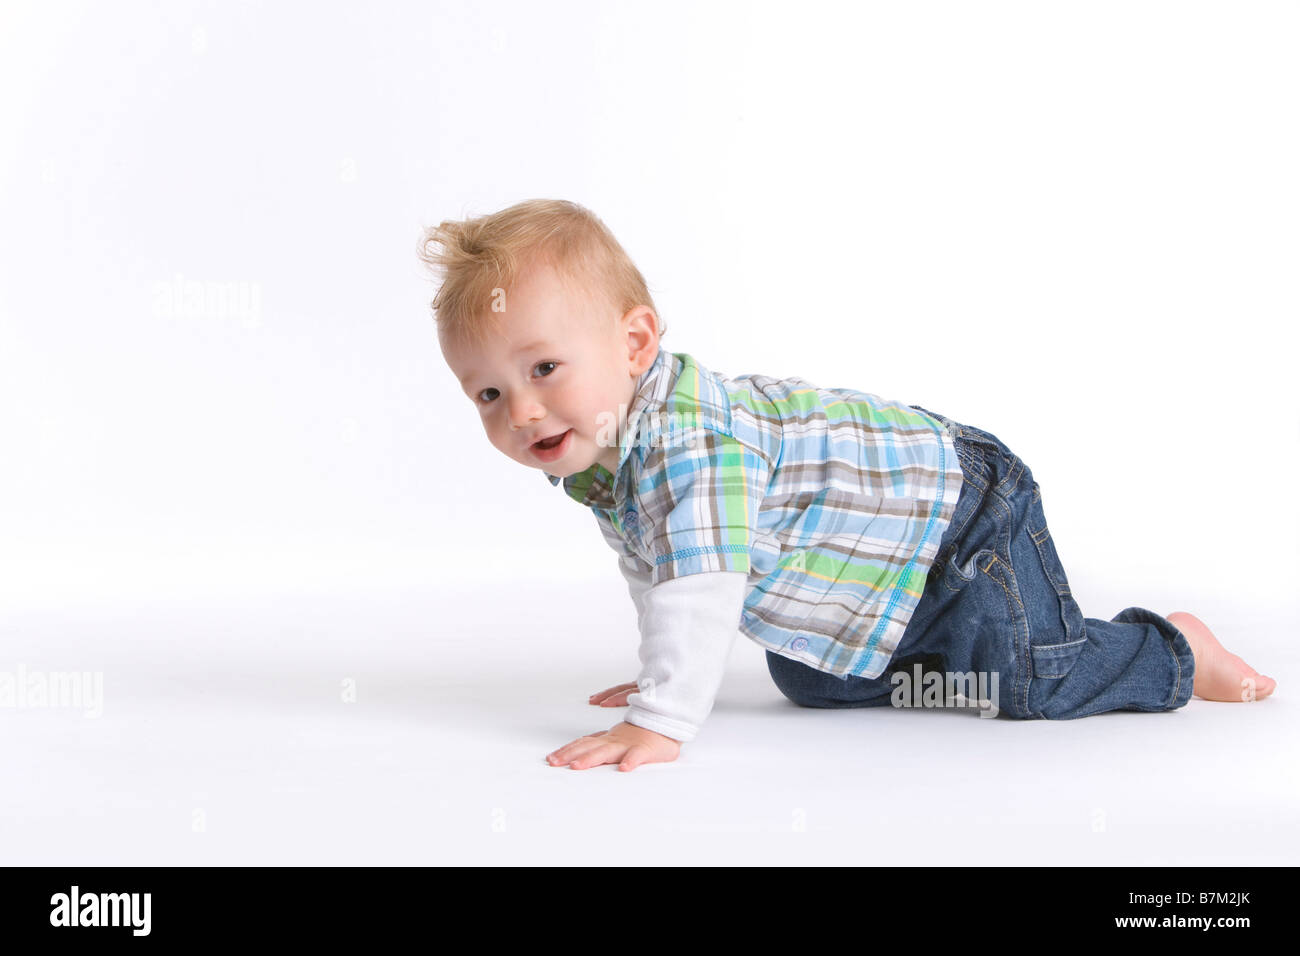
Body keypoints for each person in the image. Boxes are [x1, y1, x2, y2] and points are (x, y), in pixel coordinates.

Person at [418, 198, 1277, 773]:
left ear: (635, 343)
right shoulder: (605, 462)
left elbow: (701, 583)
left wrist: (660, 718)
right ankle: (953, 651)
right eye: (489, 392)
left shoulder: (691, 447)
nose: (522, 410)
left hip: (961, 515)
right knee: (812, 679)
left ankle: (1171, 650)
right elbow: (657, 570)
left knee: (1032, 683)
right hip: (880, 556)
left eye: (543, 368)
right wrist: (657, 673)